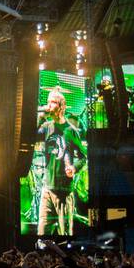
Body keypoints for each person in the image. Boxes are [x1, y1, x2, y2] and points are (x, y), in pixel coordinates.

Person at [33, 87, 86, 236]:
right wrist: (40, 117)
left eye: (53, 102)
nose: (49, 105)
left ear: (61, 106)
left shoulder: (71, 131)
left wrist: (74, 168)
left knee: (65, 233)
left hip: (63, 191)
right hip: (47, 188)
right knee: (42, 232)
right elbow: (30, 137)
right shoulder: (46, 127)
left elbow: (83, 157)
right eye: (48, 101)